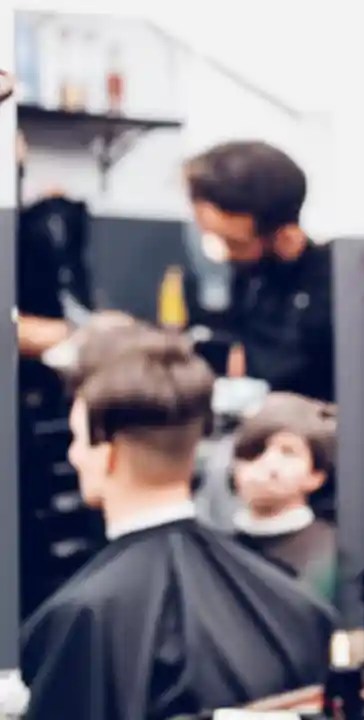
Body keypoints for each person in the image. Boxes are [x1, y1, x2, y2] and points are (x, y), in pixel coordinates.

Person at [20, 325, 336, 720]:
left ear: (109, 454)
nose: (73, 454)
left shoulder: (84, 618)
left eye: (78, 439)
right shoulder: (296, 603)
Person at [182, 140, 334, 403]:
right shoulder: (247, 274)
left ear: (284, 236)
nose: (224, 254)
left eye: (234, 243)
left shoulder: (330, 289)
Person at [232, 391, 340, 606]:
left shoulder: (333, 558)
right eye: (255, 450)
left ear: (316, 475)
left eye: (288, 452)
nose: (268, 464)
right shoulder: (208, 548)